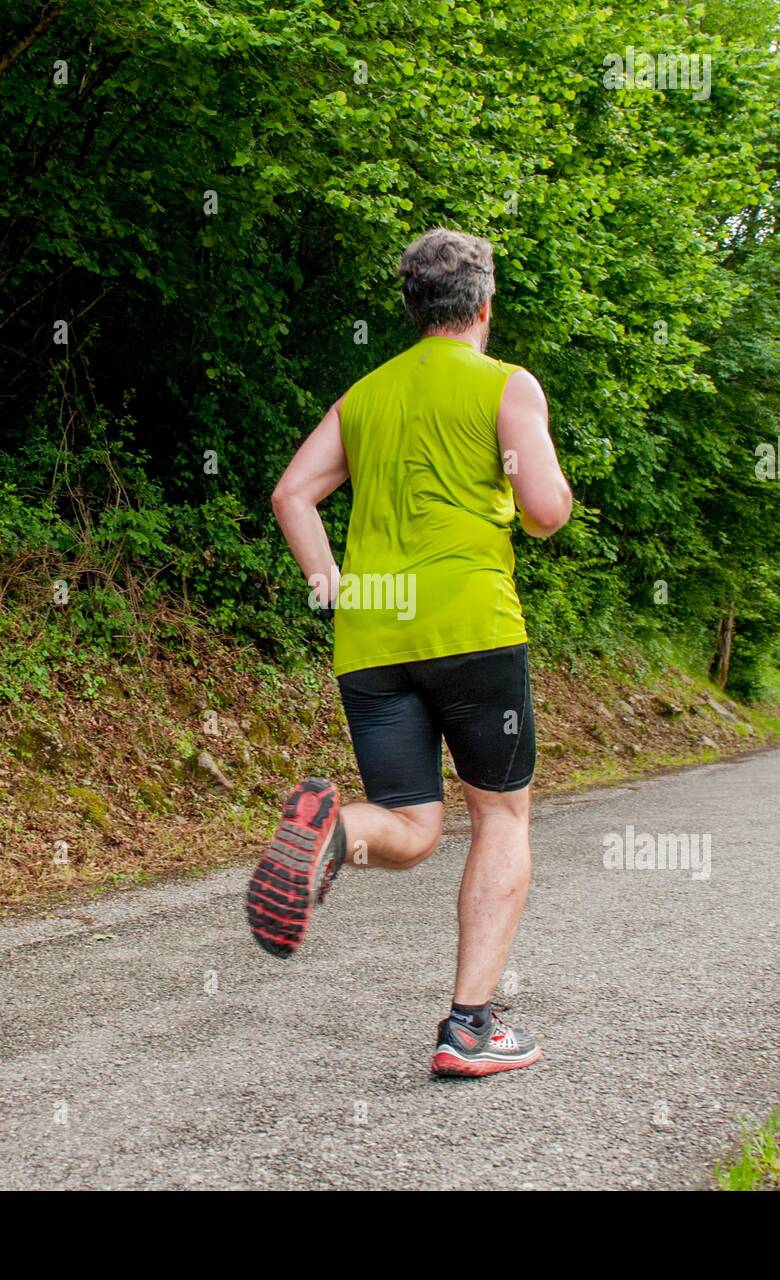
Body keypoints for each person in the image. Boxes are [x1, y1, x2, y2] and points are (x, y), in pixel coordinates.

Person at [245, 226, 572, 1077]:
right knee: (498, 817)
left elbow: (292, 493)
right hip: (471, 629)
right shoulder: (507, 386)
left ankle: (334, 830)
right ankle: (469, 1029)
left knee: (413, 827)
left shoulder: (366, 395)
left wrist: (333, 585)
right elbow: (544, 511)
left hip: (371, 638)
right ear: (485, 307)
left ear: (412, 306)